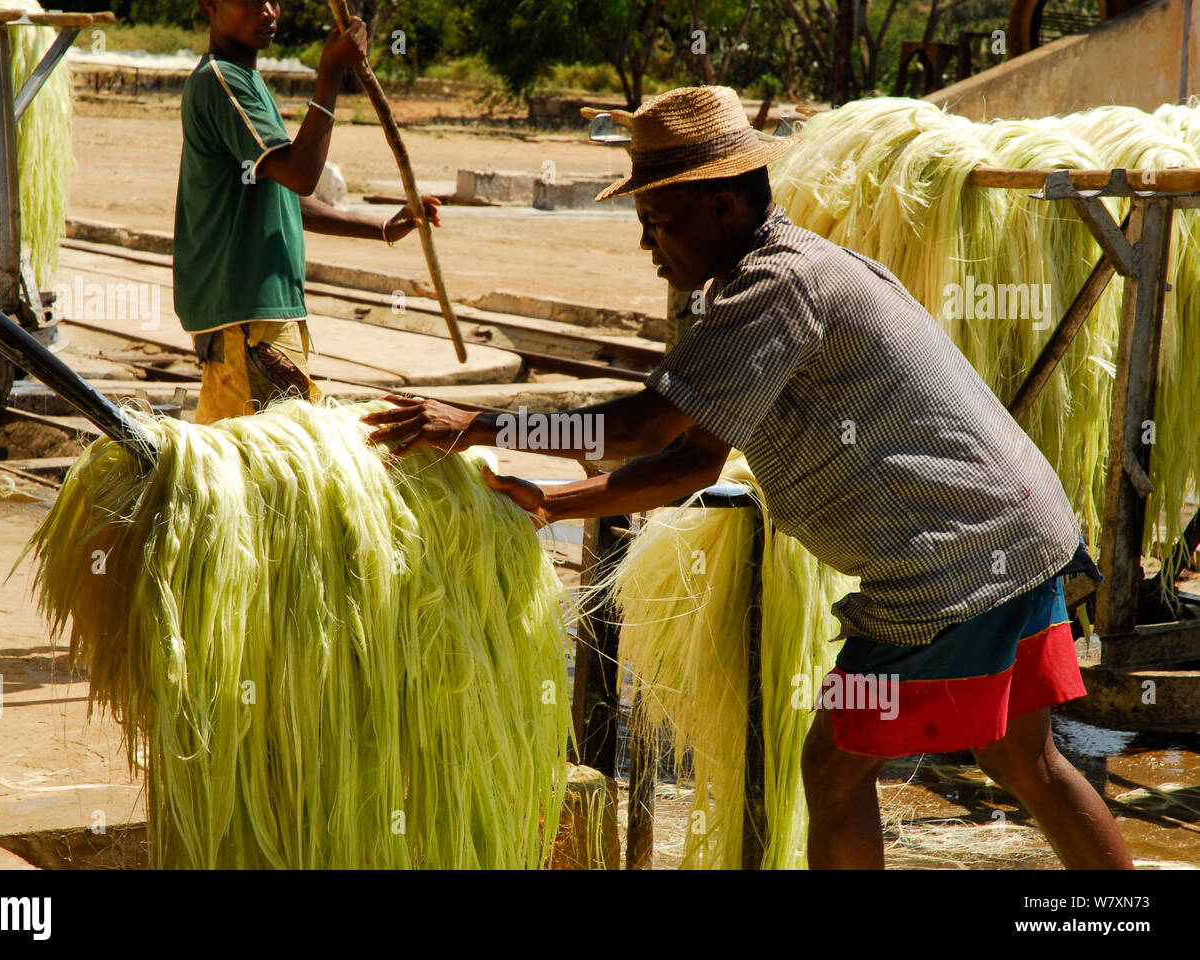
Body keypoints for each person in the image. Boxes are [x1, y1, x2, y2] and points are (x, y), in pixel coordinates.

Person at [361, 85, 1134, 870]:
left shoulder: (774, 285)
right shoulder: (796, 269)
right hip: (1020, 532)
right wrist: (554, 502)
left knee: (835, 764)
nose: (648, 247)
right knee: (1023, 762)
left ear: (724, 208)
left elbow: (645, 426)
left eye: (660, 223)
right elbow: (693, 459)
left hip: (950, 567)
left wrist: (481, 424)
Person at [174, 0, 440, 424]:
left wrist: (386, 227)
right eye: (250, 1)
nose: (268, 11)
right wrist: (331, 74)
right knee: (266, 472)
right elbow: (300, 175)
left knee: (249, 471)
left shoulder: (244, 79)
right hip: (248, 321)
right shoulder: (221, 80)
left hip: (260, 320)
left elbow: (288, 197)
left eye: (275, 0)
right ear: (209, 5)